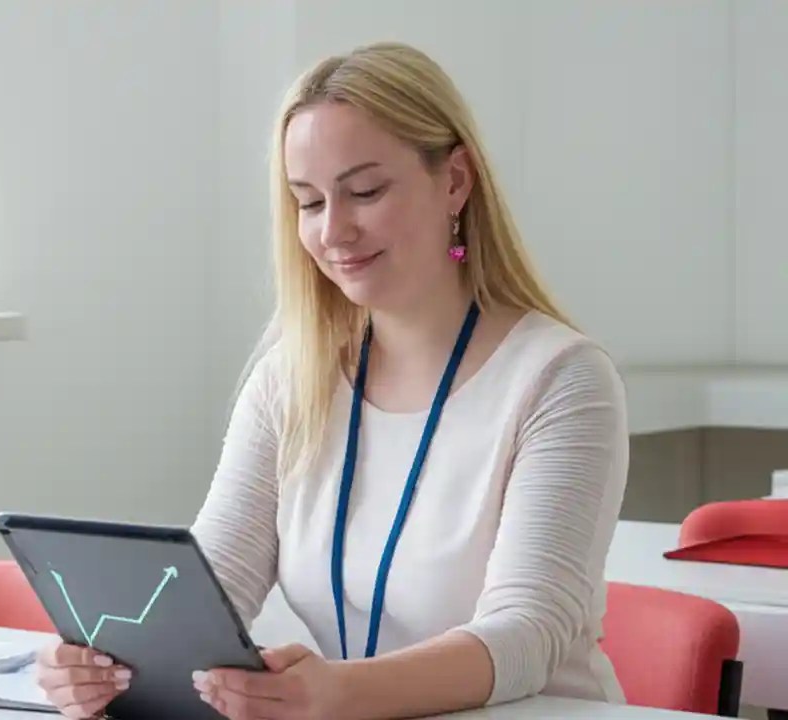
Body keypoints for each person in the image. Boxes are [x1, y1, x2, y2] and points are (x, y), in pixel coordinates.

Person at [35, 41, 629, 720]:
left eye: (366, 191)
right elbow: (211, 586)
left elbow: (529, 635)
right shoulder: (290, 378)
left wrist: (337, 693)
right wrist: (104, 662)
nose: (333, 231)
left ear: (456, 180)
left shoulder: (562, 380)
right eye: (308, 202)